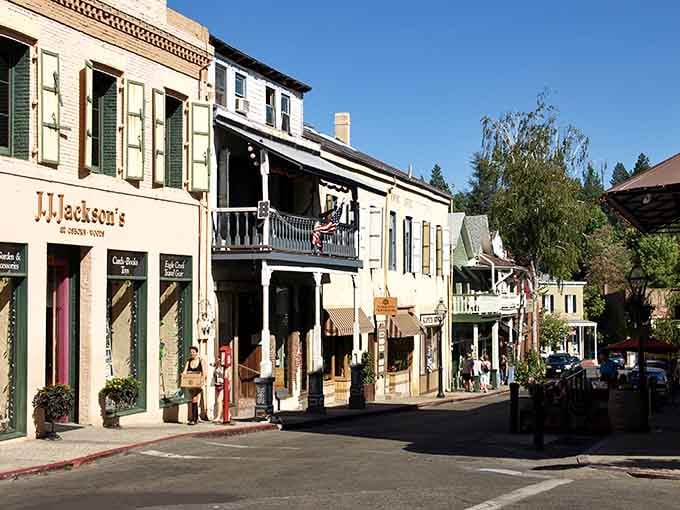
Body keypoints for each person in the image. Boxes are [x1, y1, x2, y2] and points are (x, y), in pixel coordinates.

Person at [183, 346, 204, 425]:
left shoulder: (201, 361)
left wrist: (202, 380)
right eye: (191, 352)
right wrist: (183, 375)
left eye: (193, 352)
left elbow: (204, 372)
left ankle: (194, 419)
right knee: (193, 399)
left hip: (198, 383)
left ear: (196, 352)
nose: (192, 354)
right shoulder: (188, 361)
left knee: (194, 398)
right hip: (190, 382)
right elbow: (185, 371)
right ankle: (196, 417)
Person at [211, 356, 225, 423]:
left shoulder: (224, 367)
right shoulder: (217, 366)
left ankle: (218, 417)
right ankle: (228, 414)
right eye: (218, 358)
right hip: (217, 385)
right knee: (219, 401)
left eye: (220, 359)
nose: (219, 360)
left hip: (222, 385)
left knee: (219, 400)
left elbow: (226, 376)